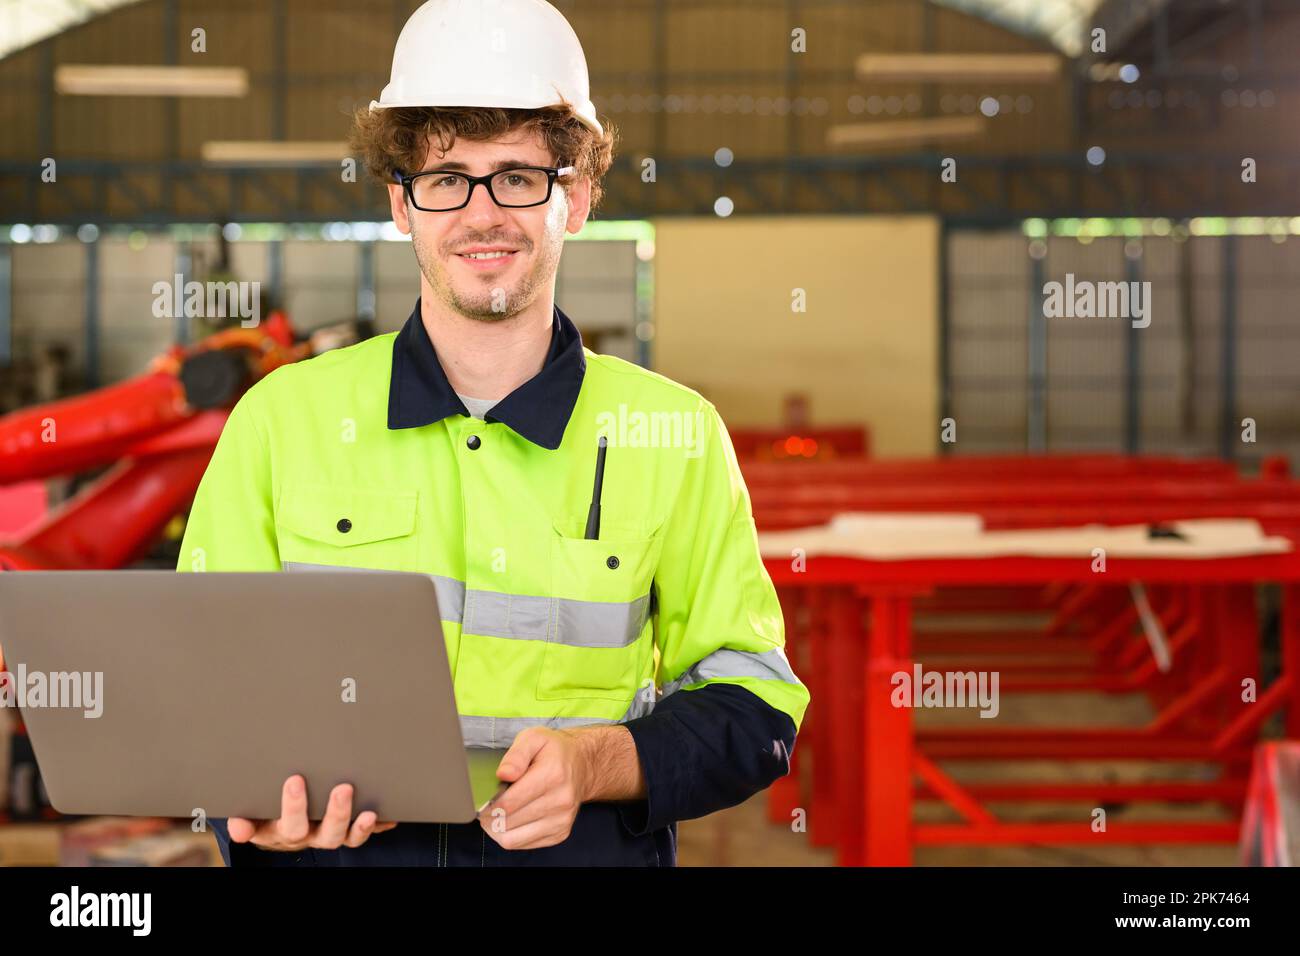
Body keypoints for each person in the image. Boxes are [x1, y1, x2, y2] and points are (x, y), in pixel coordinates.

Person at [177, 0, 808, 866]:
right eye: (446, 179)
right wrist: (253, 808)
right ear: (402, 204)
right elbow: (201, 685)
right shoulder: (282, 421)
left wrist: (601, 761)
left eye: (518, 176)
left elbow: (757, 712)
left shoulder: (675, 434)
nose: (484, 214)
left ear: (576, 198)